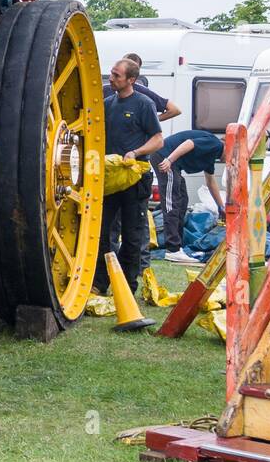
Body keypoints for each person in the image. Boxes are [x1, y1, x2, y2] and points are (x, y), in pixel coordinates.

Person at [94, 58, 164, 296]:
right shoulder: (107, 104)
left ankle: (127, 288)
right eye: (111, 74)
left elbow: (158, 139)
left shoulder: (144, 104)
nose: (111, 79)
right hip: (111, 179)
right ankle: (99, 283)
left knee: (133, 236)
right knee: (101, 233)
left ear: (131, 80)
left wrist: (136, 152)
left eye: (116, 75)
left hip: (135, 178)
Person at [155, 130, 226, 263]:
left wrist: (221, 206)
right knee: (172, 203)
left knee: (182, 201)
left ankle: (178, 246)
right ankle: (173, 249)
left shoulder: (211, 155)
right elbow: (189, 143)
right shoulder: (215, 144)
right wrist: (169, 160)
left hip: (172, 162)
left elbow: (210, 182)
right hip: (165, 157)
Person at [101, 53, 181, 124]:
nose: (112, 78)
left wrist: (150, 120)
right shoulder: (106, 90)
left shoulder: (143, 94)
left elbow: (174, 110)